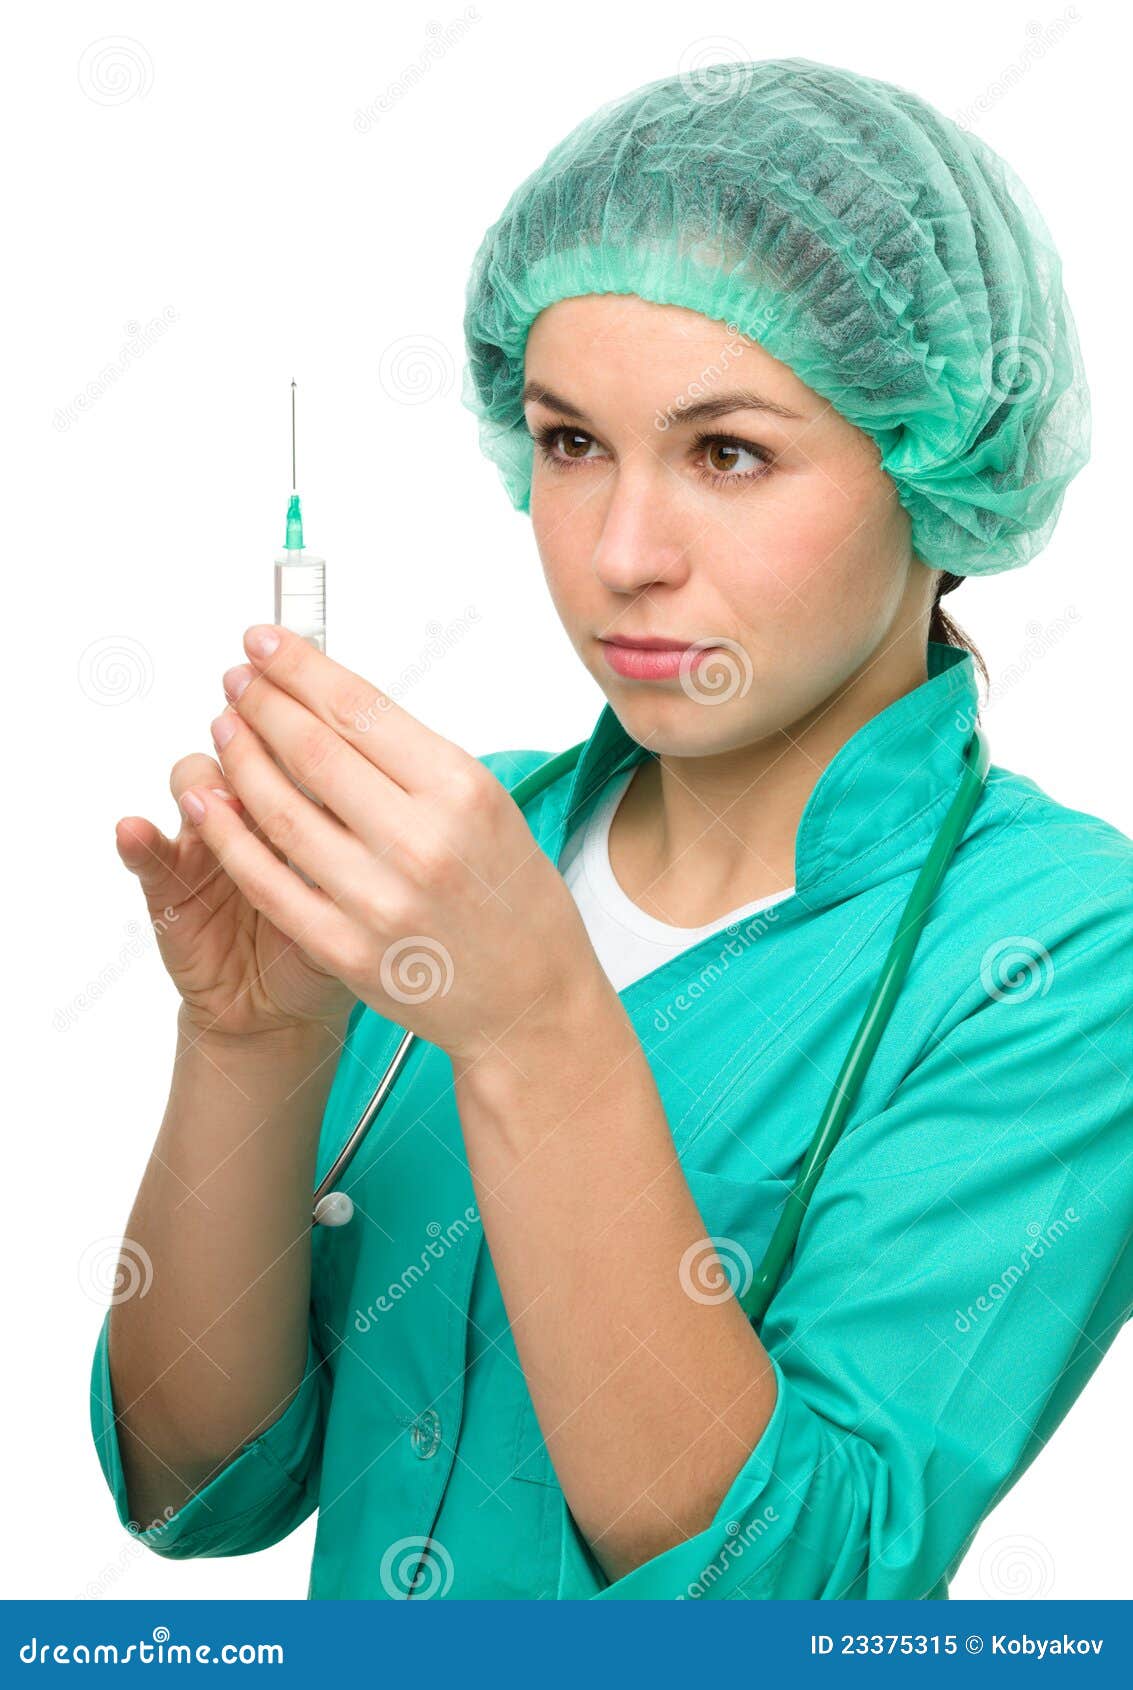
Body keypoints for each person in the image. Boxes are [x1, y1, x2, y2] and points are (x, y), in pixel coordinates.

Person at [91, 57, 1130, 1600]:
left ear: (938, 468)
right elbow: (197, 1489)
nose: (619, 554)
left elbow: (796, 1595)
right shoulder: (458, 839)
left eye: (727, 452)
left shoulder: (1057, 948)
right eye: (570, 441)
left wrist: (534, 1029)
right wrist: (251, 1045)